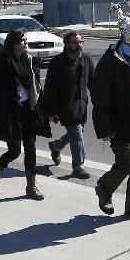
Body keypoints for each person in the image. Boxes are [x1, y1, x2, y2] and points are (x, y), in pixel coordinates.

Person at [0, 28, 48, 201]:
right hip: (10, 111)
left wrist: (45, 109)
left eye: (26, 39)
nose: (26, 43)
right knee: (15, 150)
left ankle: (31, 186)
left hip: (28, 109)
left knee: (31, 147)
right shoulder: (1, 63)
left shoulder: (28, 60)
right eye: (22, 40)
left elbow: (35, 86)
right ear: (13, 44)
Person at [91, 28, 130, 218]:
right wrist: (104, 128)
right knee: (129, 162)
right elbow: (100, 97)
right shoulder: (110, 60)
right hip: (119, 124)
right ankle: (104, 188)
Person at [43, 31, 95, 179]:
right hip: (65, 106)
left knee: (77, 132)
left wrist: (100, 101)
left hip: (81, 105)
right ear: (66, 44)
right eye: (75, 42)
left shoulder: (86, 59)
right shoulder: (57, 62)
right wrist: (50, 111)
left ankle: (56, 146)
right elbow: (49, 88)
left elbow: (93, 82)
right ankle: (78, 167)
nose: (78, 45)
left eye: (80, 42)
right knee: (77, 134)